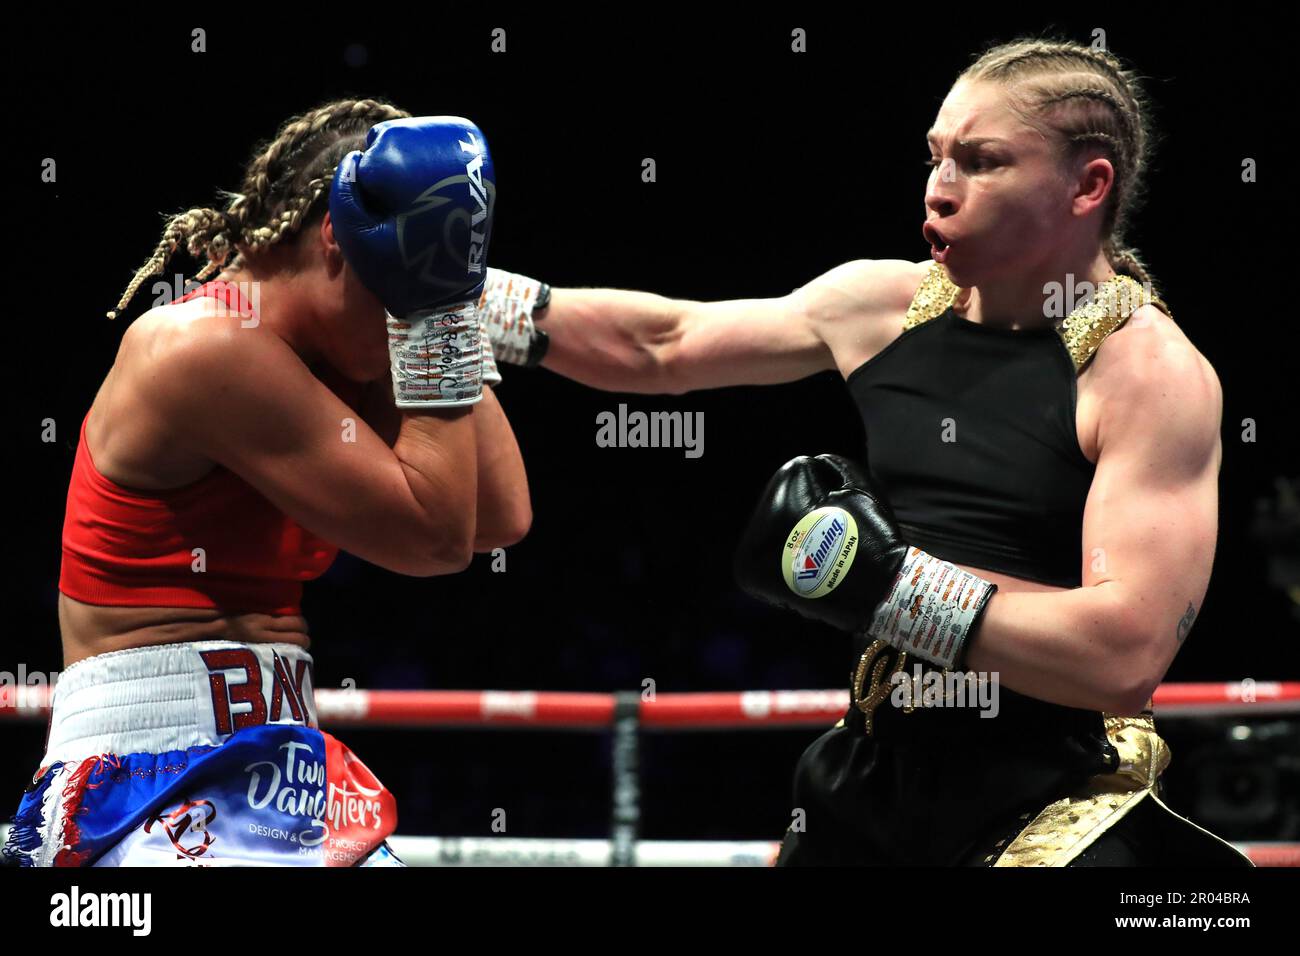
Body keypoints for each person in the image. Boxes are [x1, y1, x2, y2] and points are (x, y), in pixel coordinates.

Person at [470, 39, 1253, 865]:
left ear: (1087, 186)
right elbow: (665, 343)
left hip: (1058, 789)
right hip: (872, 775)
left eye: (982, 163)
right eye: (936, 157)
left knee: (1204, 907)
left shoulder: (1149, 375)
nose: (940, 191)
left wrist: (889, 585)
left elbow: (1124, 652)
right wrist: (461, 294)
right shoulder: (885, 305)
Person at [4, 100, 532, 867]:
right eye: (404, 286)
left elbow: (500, 515)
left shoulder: (335, 358)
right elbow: (436, 540)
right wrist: (430, 313)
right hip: (151, 778)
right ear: (336, 240)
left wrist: (439, 302)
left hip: (281, 769)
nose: (405, 316)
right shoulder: (205, 346)